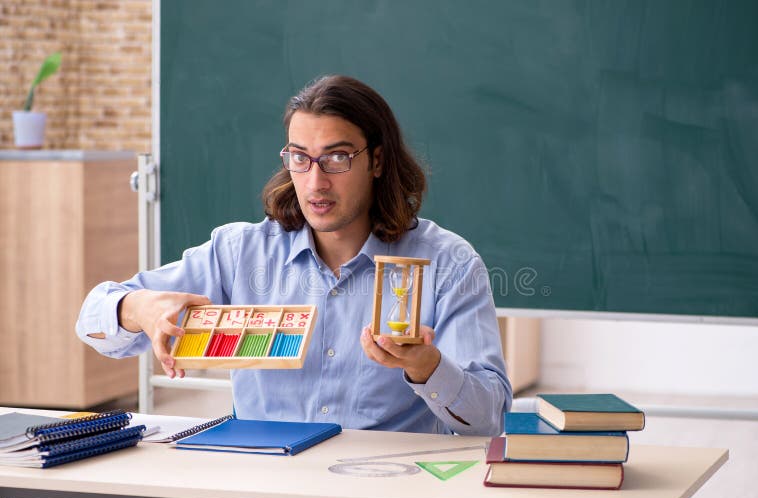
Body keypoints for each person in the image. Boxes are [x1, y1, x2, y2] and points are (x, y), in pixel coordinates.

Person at [76, 74, 512, 437]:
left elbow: (490, 418)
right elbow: (91, 319)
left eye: (337, 158)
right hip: (262, 487)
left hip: (376, 496)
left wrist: (426, 367)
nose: (315, 182)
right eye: (299, 159)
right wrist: (138, 308)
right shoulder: (239, 251)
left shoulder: (448, 263)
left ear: (377, 161)